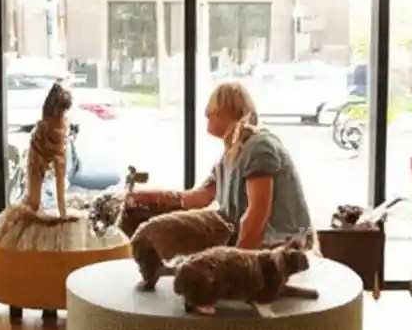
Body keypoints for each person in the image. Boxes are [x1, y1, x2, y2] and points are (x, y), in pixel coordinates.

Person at [128, 82, 312, 250]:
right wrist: (142, 197)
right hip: (254, 239)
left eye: (212, 107)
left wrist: (234, 264)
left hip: (283, 247)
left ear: (229, 111)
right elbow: (199, 198)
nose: (206, 113)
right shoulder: (230, 155)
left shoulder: (259, 146)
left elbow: (257, 215)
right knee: (156, 230)